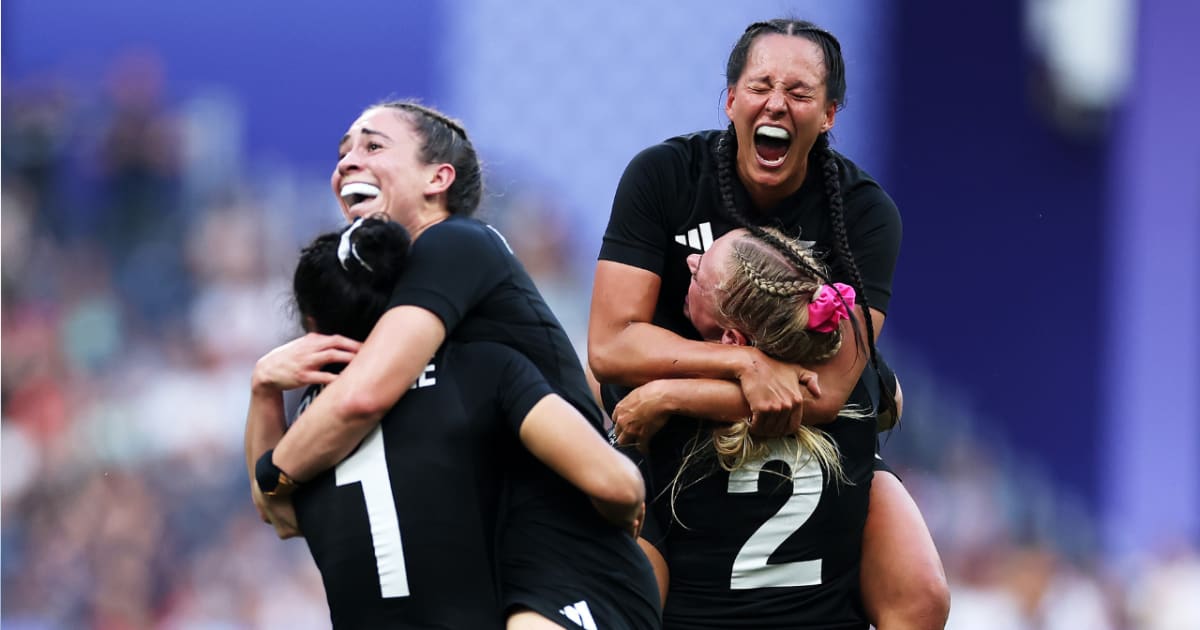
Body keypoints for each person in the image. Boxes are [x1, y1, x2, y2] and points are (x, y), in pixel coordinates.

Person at [587, 18, 950, 630]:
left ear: (830, 114)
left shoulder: (864, 213)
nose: (776, 102)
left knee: (922, 595)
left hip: (786, 407)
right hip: (669, 423)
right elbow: (610, 345)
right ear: (730, 100)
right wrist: (741, 364)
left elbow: (829, 392)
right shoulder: (663, 175)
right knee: (623, 594)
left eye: (801, 92)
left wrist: (669, 394)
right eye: (759, 85)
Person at [244, 102, 661, 628]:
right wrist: (263, 388)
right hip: (500, 568)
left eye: (373, 146)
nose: (348, 162)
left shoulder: (455, 241)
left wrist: (273, 471)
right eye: (343, 151)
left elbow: (360, 399)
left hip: (567, 554)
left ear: (439, 178)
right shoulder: (402, 312)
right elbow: (282, 512)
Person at [614, 227, 875, 628]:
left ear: (732, 340)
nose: (690, 260)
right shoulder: (856, 398)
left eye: (701, 275)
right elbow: (895, 401)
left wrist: (667, 394)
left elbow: (636, 586)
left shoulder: (656, 413)